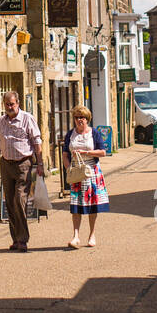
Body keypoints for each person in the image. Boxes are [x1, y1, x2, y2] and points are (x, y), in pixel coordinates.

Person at [0, 91, 45, 252]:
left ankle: (23, 239)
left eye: (12, 104)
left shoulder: (27, 119)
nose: (9, 107)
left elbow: (37, 142)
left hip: (24, 164)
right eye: (7, 104)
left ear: (18, 103)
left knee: (19, 199)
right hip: (6, 165)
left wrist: (40, 163)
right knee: (9, 202)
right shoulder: (1, 121)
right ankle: (15, 239)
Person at [62, 106, 109, 248]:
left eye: (81, 117)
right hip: (76, 172)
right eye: (76, 117)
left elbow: (103, 152)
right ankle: (75, 236)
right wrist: (68, 168)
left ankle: (92, 234)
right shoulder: (70, 134)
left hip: (91, 172)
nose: (79, 120)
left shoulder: (94, 133)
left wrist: (86, 153)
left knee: (92, 205)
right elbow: (65, 153)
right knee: (76, 205)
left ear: (87, 119)